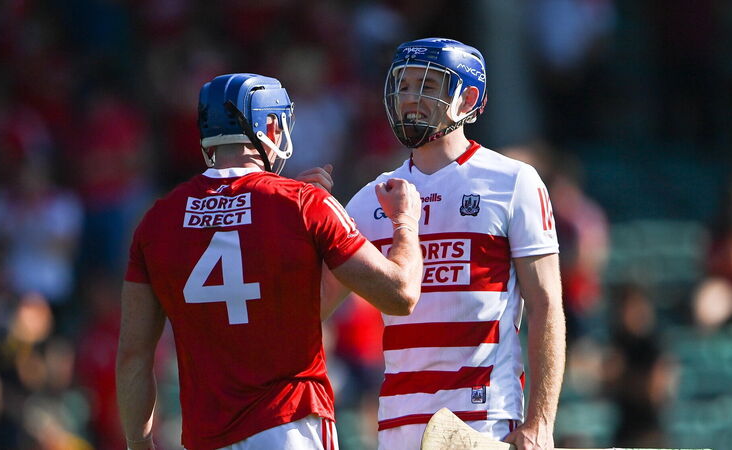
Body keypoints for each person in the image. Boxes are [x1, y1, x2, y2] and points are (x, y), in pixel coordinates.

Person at [115, 73, 423, 450]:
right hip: (290, 425)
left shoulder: (157, 220)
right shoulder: (303, 204)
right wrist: (405, 222)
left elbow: (133, 355)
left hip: (205, 436)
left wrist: (138, 443)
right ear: (272, 126)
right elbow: (401, 294)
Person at [322, 38, 567, 450]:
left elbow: (546, 304)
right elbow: (315, 306)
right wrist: (304, 213)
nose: (410, 99)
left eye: (428, 85)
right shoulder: (368, 200)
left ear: (468, 97)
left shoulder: (513, 182)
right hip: (396, 420)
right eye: (404, 84)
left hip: (483, 418)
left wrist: (540, 421)